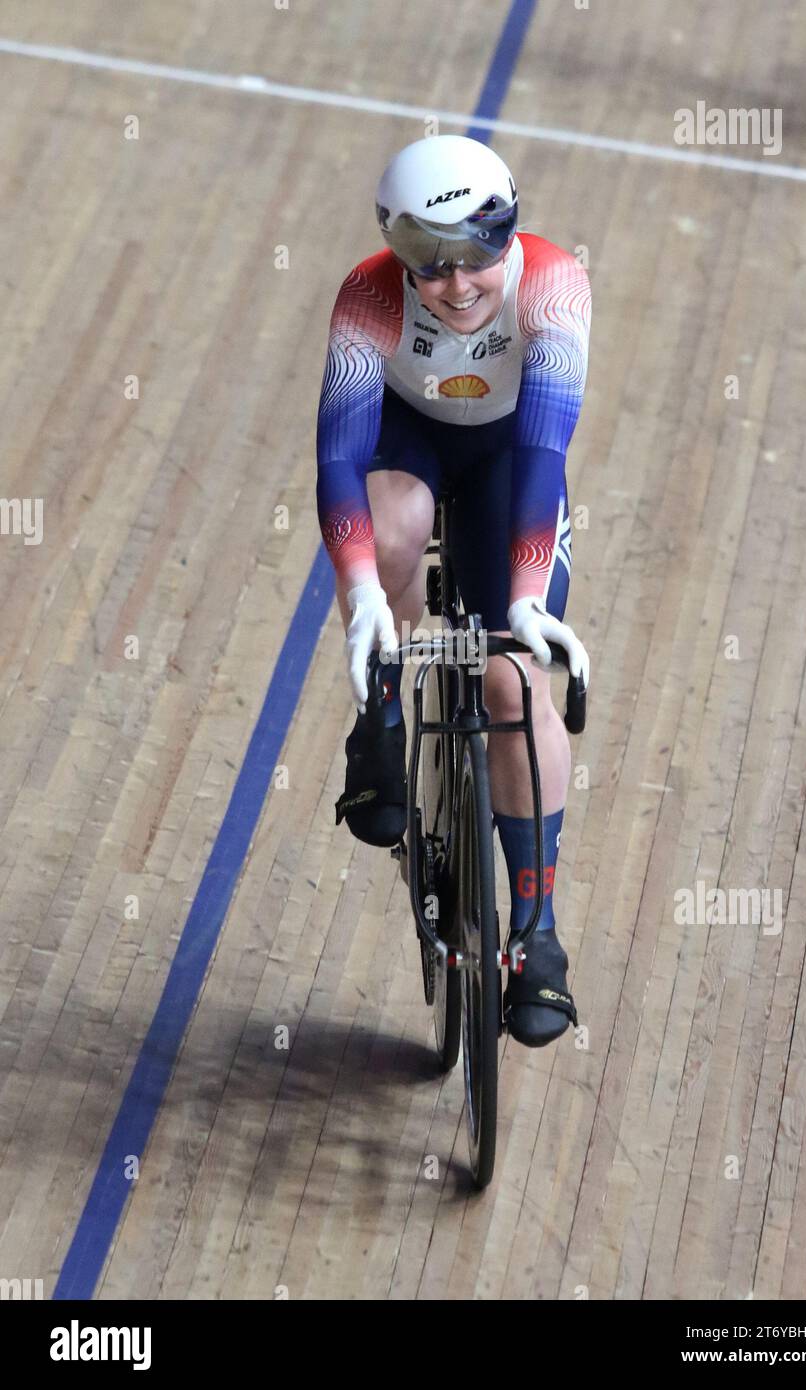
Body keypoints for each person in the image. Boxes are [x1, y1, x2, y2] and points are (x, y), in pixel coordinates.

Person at [315, 133, 591, 1048]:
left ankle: (538, 933)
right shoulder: (365, 299)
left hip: (512, 457)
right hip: (411, 445)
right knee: (389, 528)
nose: (462, 283)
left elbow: (545, 453)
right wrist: (361, 600)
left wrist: (524, 607)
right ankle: (384, 703)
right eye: (432, 267)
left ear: (513, 231)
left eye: (483, 249)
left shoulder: (553, 287)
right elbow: (341, 460)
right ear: (398, 256)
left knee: (515, 680)